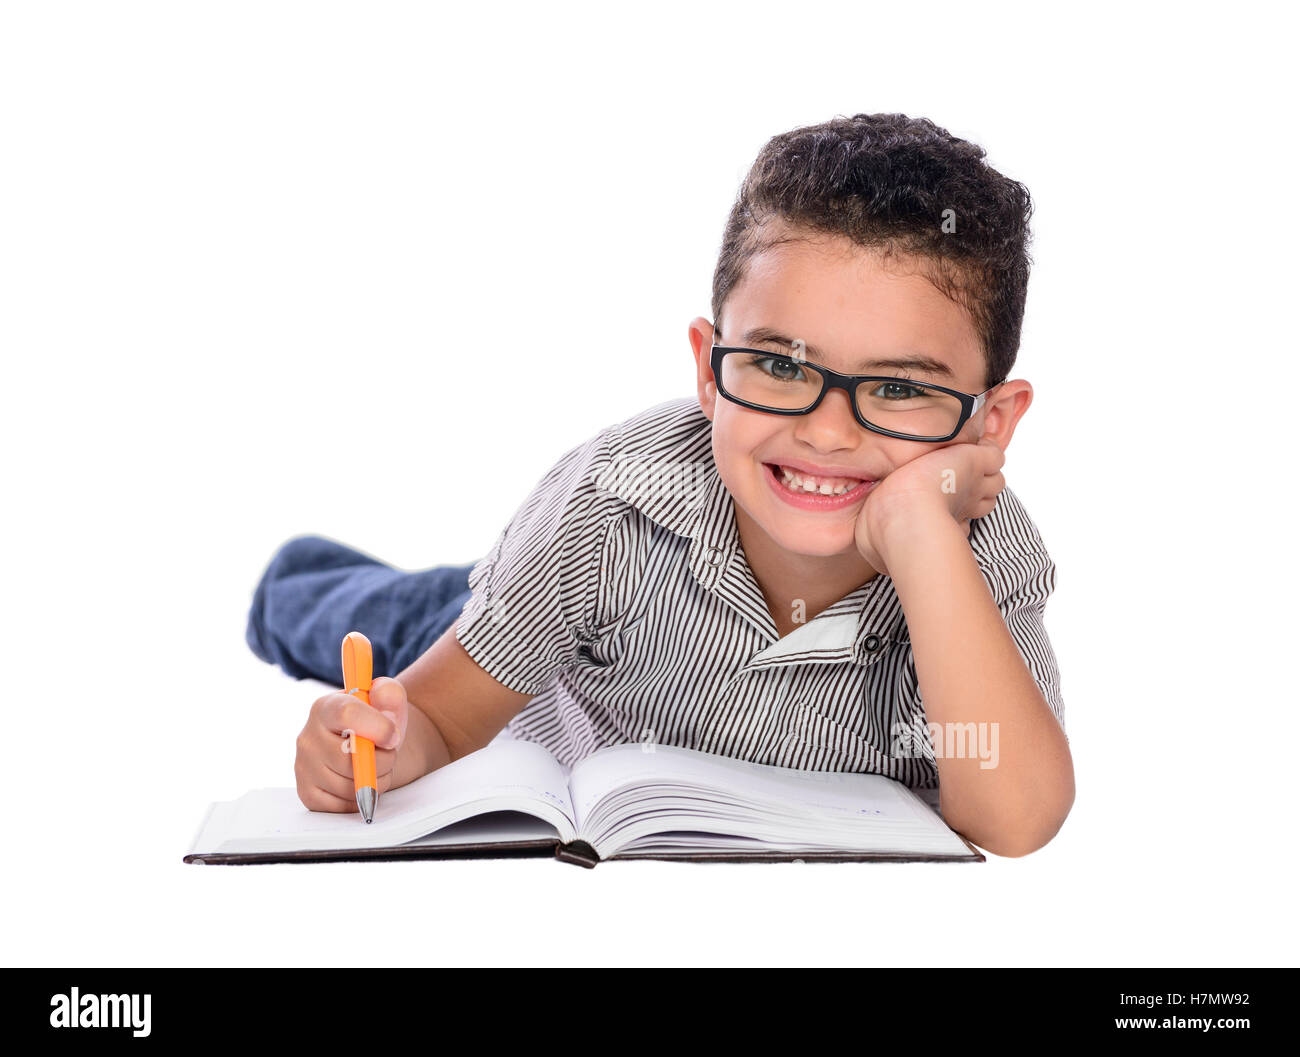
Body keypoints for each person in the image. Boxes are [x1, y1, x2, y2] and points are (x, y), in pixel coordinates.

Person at [247, 112, 1074, 857]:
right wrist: (388, 739)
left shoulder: (982, 547)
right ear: (709, 372)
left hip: (597, 624)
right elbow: (442, 717)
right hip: (544, 652)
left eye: (899, 388)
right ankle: (298, 583)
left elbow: (1013, 818)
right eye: (781, 365)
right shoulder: (612, 504)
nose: (828, 432)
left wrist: (922, 535)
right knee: (386, 619)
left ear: (991, 422)